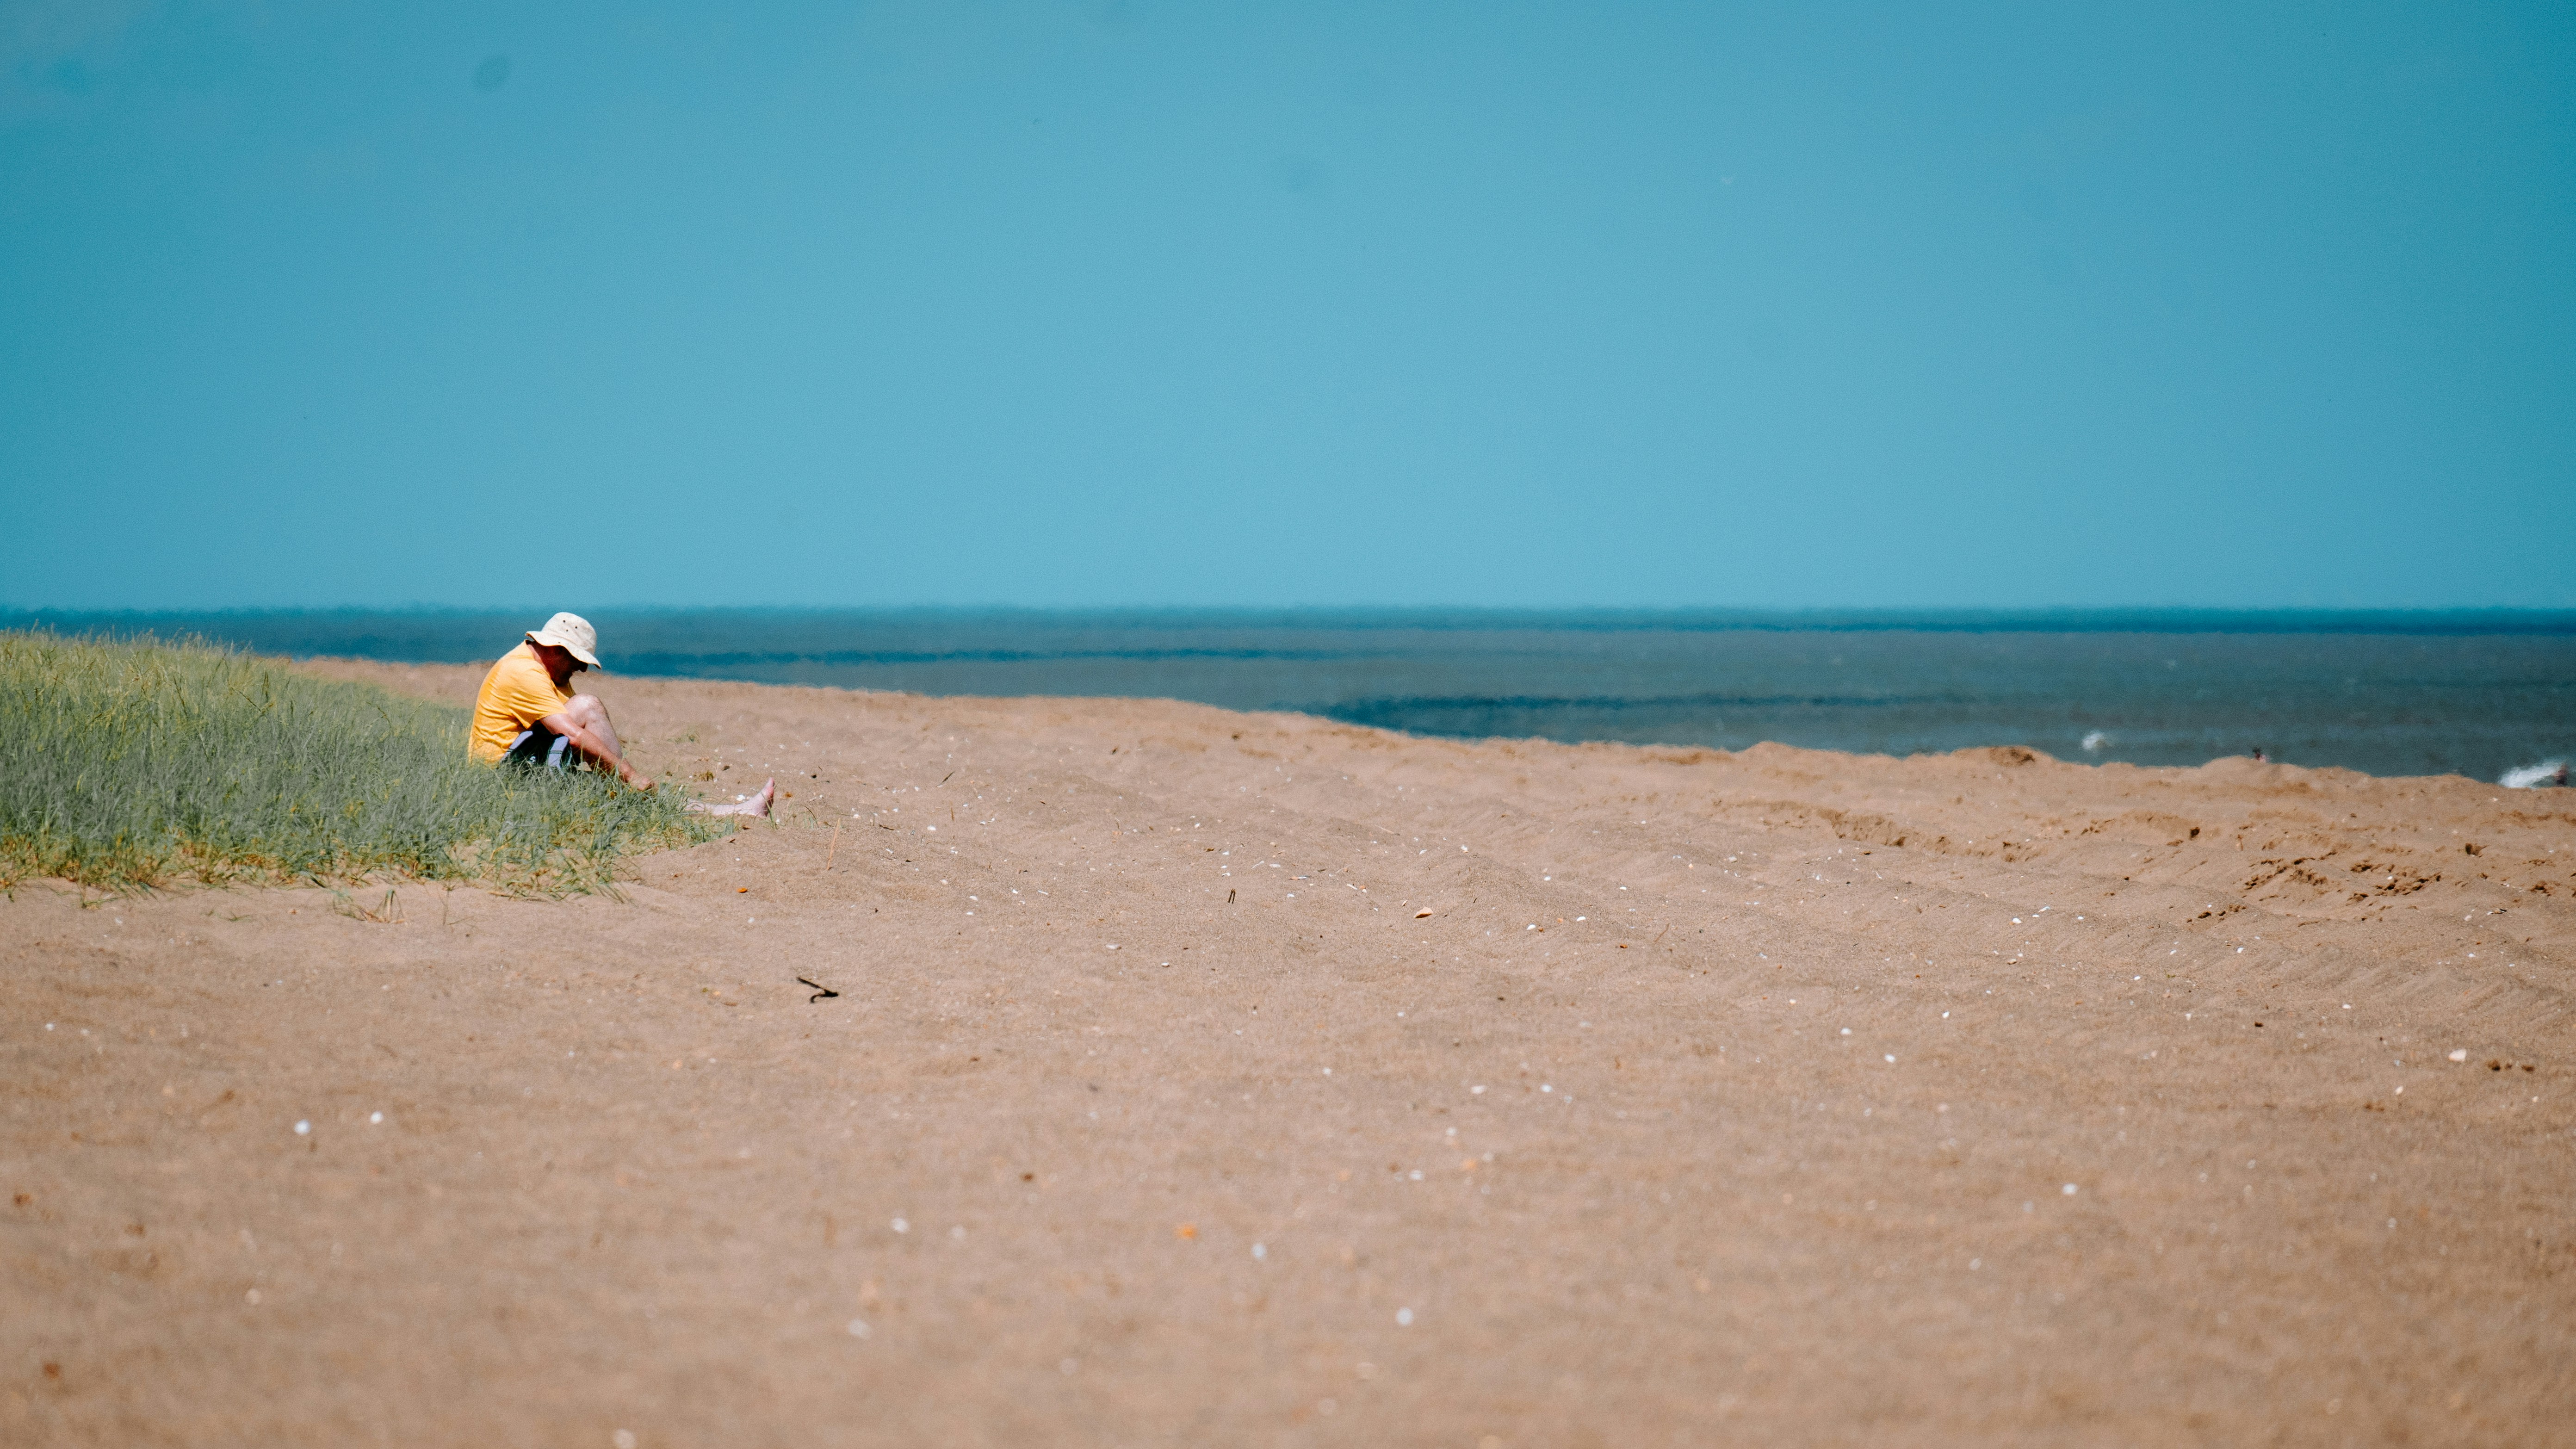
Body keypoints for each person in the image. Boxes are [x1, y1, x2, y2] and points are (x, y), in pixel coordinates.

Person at [468, 612, 774, 817]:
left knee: (608, 787)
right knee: (588, 707)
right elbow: (575, 733)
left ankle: (727, 812)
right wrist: (631, 775)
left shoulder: (543, 671)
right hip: (501, 775)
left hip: (520, 764)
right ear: (558, 650)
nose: (584, 668)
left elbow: (586, 737)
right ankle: (649, 797)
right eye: (579, 660)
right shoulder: (525, 673)